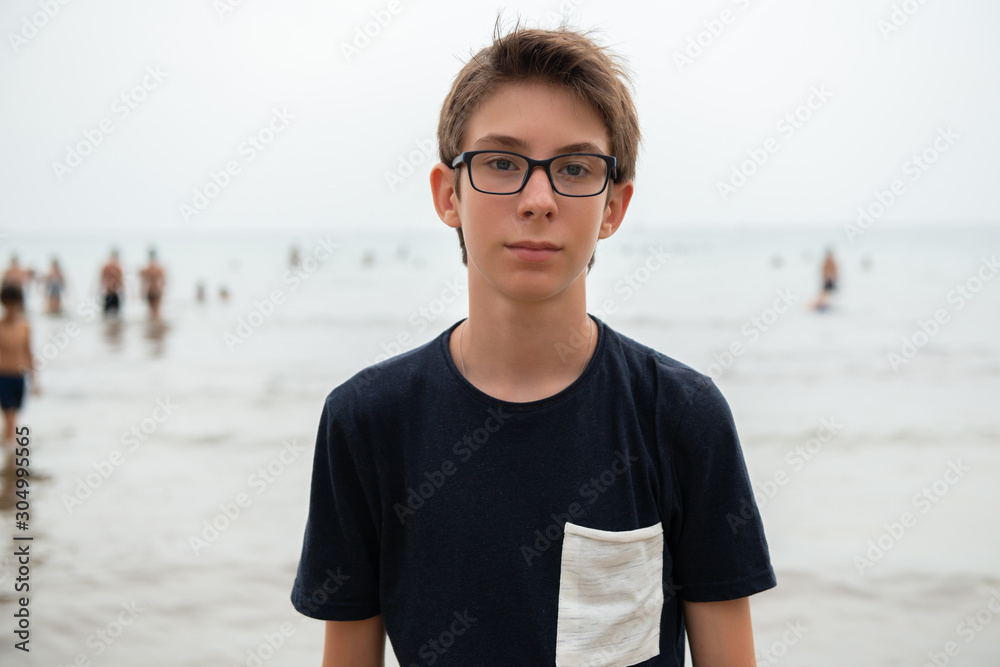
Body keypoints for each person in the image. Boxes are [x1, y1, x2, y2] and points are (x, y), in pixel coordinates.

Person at [291, 24, 775, 666]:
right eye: (502, 163)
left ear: (614, 206)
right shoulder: (368, 422)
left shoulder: (681, 415)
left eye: (576, 168)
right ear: (448, 195)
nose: (538, 200)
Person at [0, 284, 38, 456]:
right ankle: (11, 453)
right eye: (8, 303)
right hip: (3, 376)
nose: (11, 307)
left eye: (14, 303)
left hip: (19, 376)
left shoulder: (25, 326)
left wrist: (35, 379)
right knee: (10, 415)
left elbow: (29, 353)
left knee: (14, 414)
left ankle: (8, 447)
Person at [139, 248, 166, 320]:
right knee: (156, 311)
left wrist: (141, 292)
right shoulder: (159, 269)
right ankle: (155, 325)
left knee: (150, 310)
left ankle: (152, 325)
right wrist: (162, 291)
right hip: (156, 290)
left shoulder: (146, 269)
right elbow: (163, 282)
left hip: (149, 291)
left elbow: (143, 282)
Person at [99, 249, 125, 318]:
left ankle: (107, 327)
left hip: (108, 292)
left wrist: (100, 291)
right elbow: (121, 282)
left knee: (105, 314)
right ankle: (114, 327)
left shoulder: (105, 267)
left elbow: (102, 281)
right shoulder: (118, 267)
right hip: (115, 293)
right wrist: (123, 293)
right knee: (116, 315)